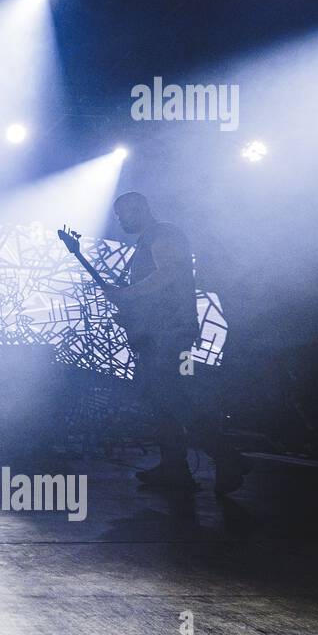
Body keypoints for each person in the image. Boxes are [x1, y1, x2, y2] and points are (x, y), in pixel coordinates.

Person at [105, 192, 248, 495]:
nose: (120, 219)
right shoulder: (149, 241)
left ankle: (226, 457)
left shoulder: (163, 234)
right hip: (159, 332)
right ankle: (176, 468)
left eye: (125, 212)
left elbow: (170, 273)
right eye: (118, 215)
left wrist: (127, 296)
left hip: (170, 334)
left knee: (175, 399)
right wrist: (133, 315)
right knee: (164, 401)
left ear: (141, 208)